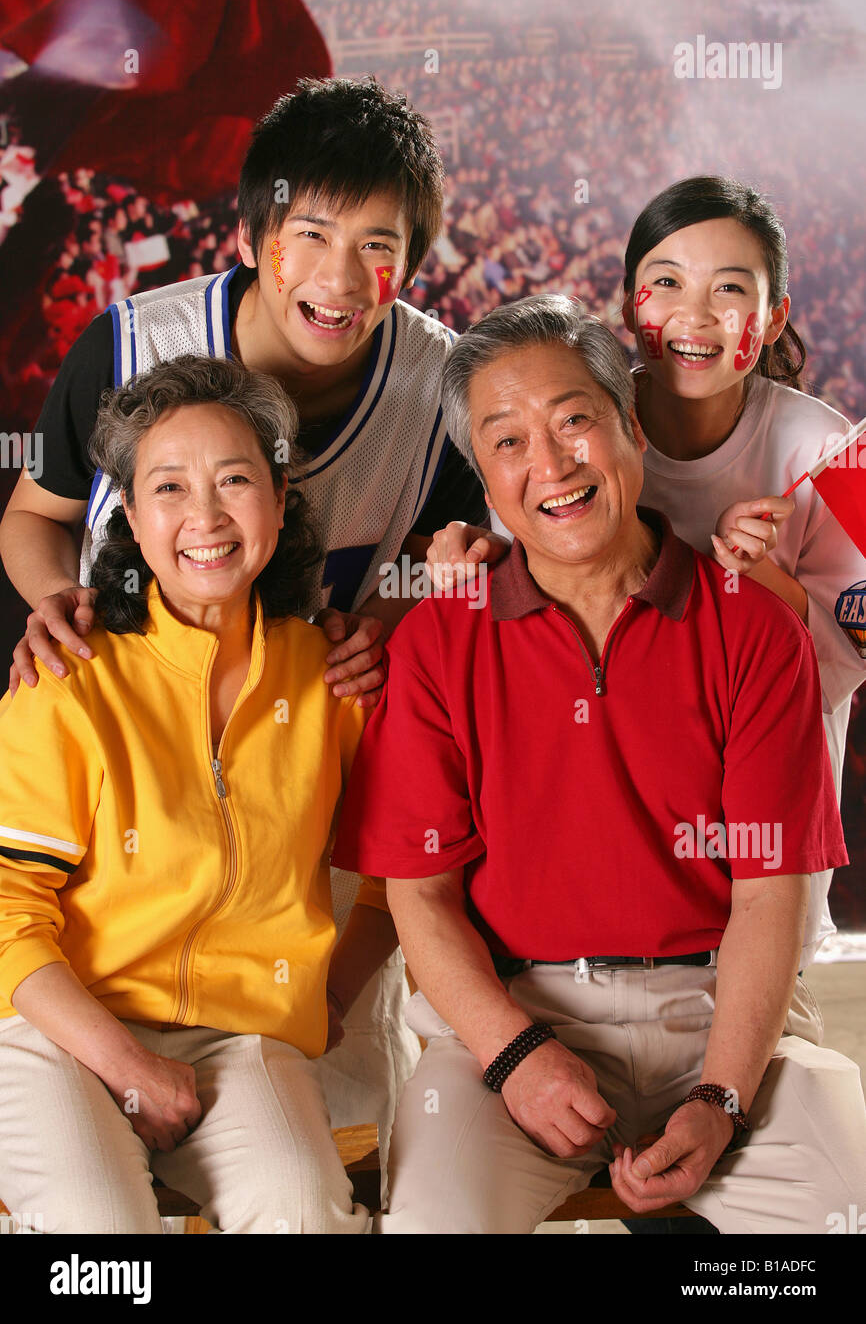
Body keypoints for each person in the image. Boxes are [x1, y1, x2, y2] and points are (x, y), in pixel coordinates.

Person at [0, 75, 488, 1142]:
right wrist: (57, 603)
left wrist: (396, 628)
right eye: (308, 232)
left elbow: (467, 561)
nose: (337, 274)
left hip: (300, 785)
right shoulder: (129, 346)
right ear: (254, 228)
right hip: (126, 767)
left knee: (334, 1129)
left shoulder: (439, 383)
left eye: (377, 243)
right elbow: (30, 518)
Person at [333, 295, 866, 1234]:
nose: (550, 465)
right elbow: (422, 896)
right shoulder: (436, 643)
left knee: (839, 1216)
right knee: (433, 1224)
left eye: (575, 420)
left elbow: (767, 895)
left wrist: (724, 1098)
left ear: (630, 425)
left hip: (727, 1020)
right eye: (507, 441)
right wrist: (514, 1055)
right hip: (506, 1023)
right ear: (485, 482)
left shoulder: (753, 627)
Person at [427, 177, 866, 974]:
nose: (694, 317)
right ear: (630, 308)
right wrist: (467, 560)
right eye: (666, 283)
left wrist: (770, 588)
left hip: (755, 857)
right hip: (585, 849)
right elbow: (517, 584)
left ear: (772, 319)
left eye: (729, 290)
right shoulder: (572, 424)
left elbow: (855, 654)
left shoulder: (827, 449)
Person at [0, 356, 396, 1233]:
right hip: (58, 1024)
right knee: (98, 1226)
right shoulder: (68, 675)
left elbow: (396, 875)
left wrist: (330, 996)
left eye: (235, 481)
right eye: (169, 487)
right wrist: (128, 1065)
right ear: (132, 520)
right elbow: (6, 913)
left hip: (241, 1035)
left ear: (281, 498)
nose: (206, 517)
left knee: (304, 1208)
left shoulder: (335, 679)